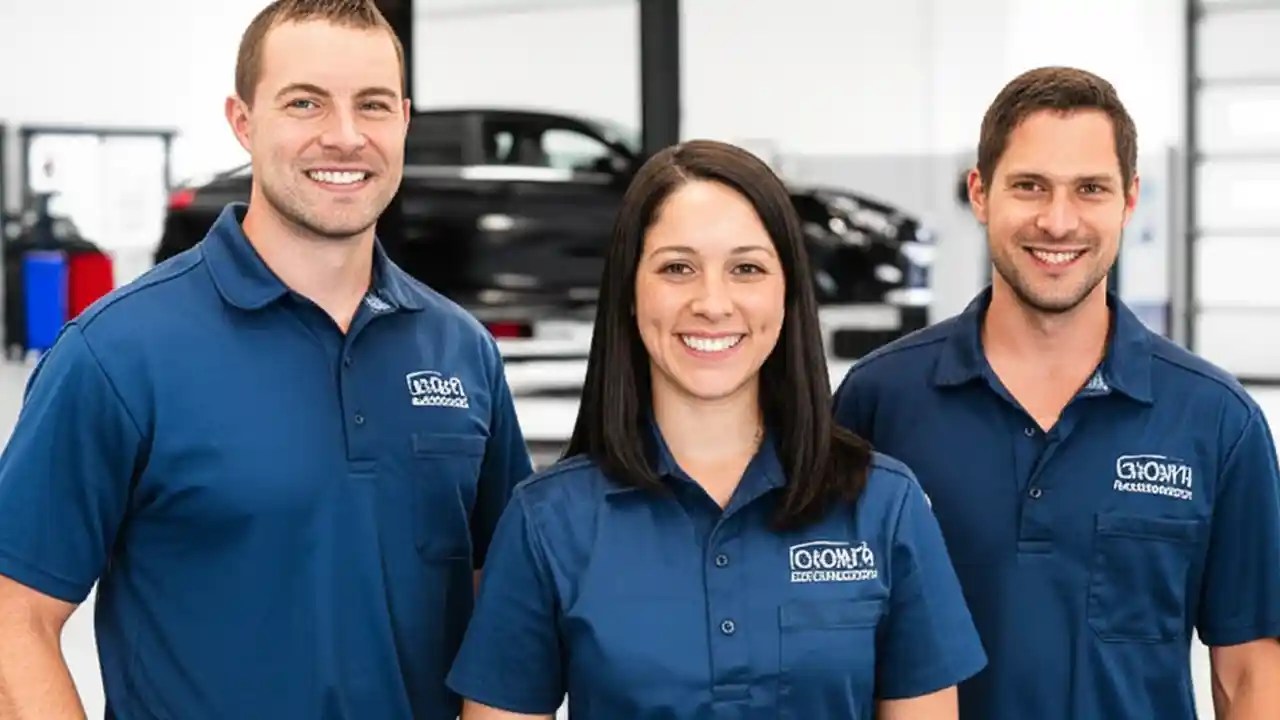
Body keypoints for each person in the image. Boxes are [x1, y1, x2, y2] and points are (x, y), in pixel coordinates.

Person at [0, 1, 532, 717]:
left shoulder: (462, 351)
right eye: (305, 103)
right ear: (243, 121)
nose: (344, 137)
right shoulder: (117, 353)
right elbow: (15, 616)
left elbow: (502, 607)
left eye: (371, 105)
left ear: (403, 120)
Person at [443, 139, 987, 720]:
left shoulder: (884, 506)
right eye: (678, 268)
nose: (712, 302)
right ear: (629, 291)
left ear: (788, 293)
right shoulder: (548, 522)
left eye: (746, 268)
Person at [833, 66, 1280, 719]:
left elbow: (1249, 677)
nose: (1058, 220)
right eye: (1030, 186)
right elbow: (831, 641)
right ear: (980, 193)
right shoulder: (879, 401)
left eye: (1090, 190)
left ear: (1129, 200)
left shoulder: (1216, 421)